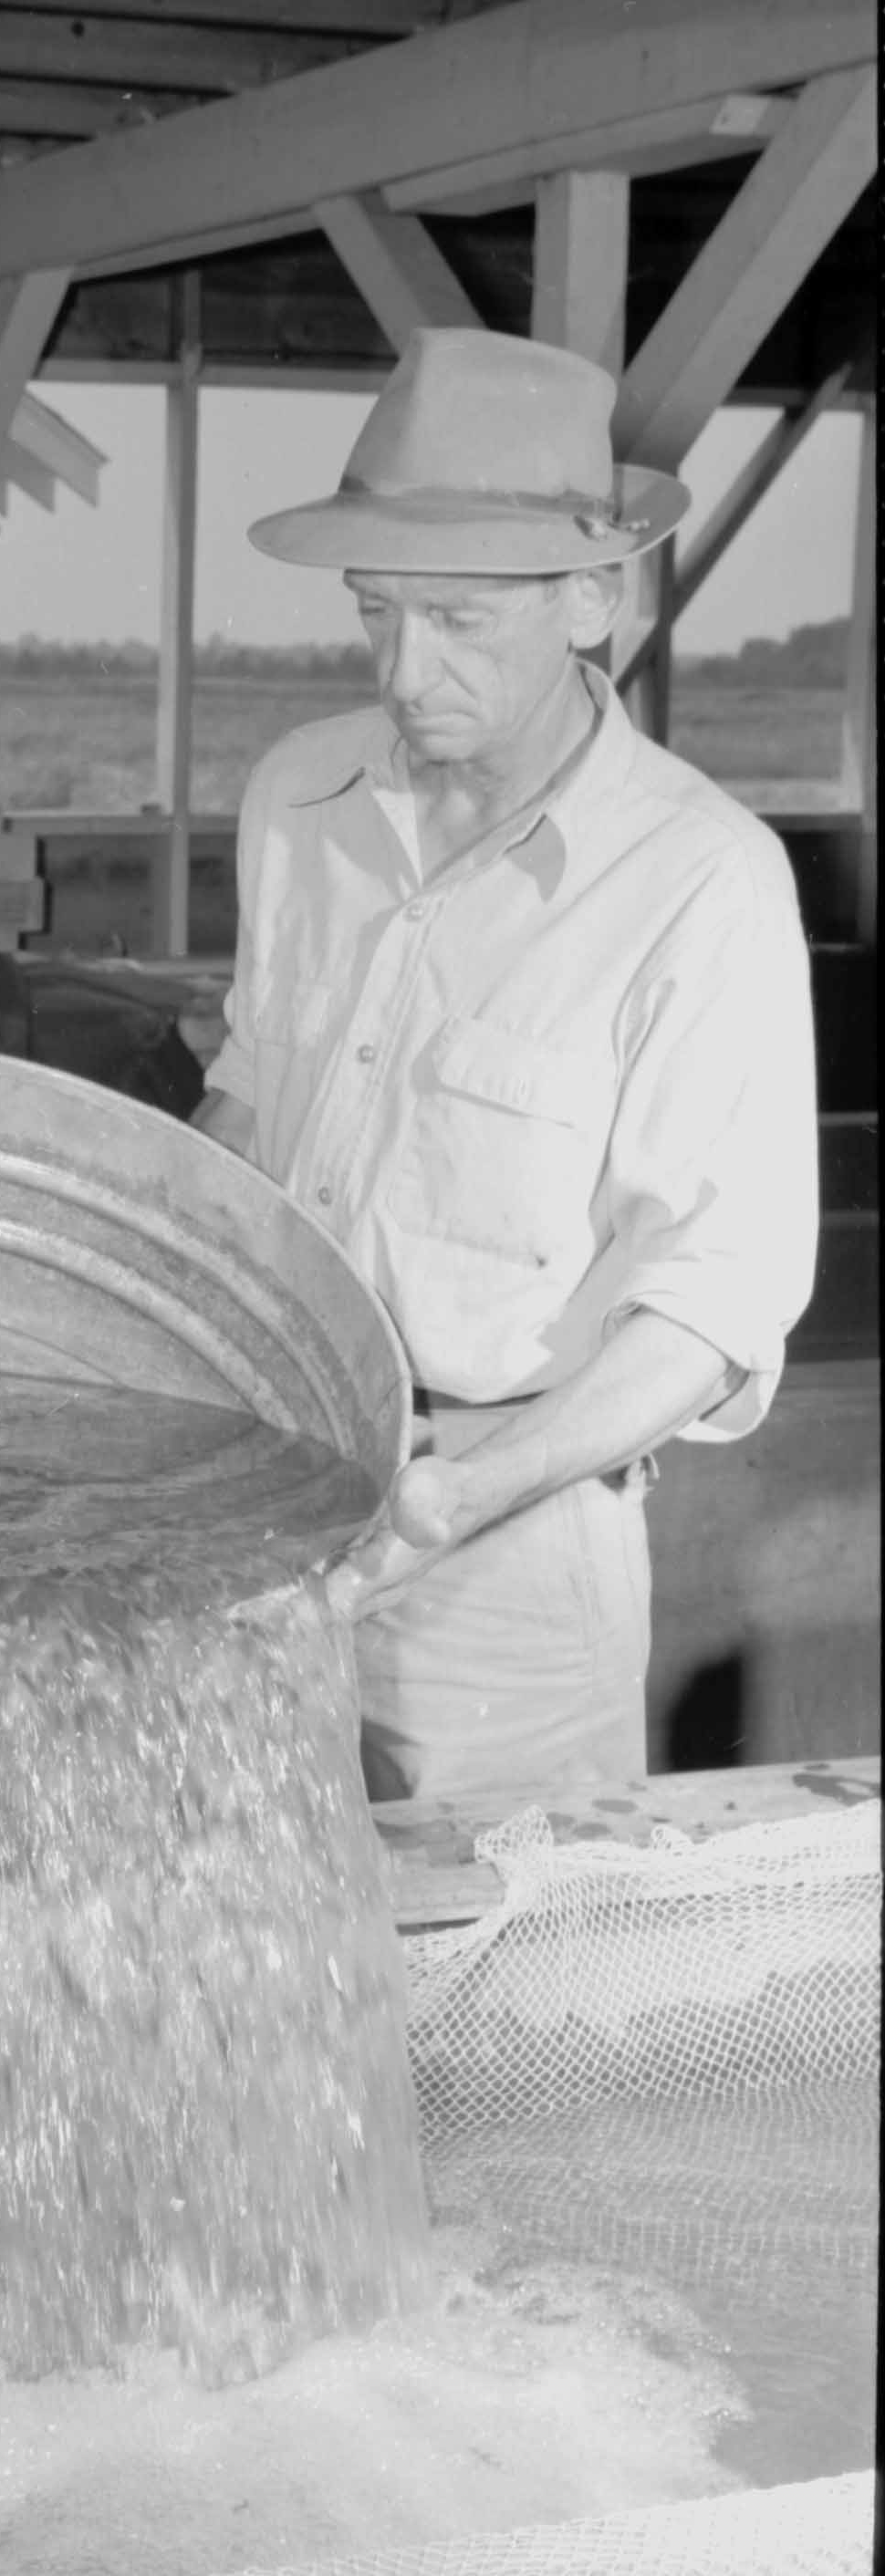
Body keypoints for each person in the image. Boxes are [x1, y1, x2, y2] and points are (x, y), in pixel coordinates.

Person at [194, 329, 818, 1803]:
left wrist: (457, 1492)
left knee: (499, 1992)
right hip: (261, 1495)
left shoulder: (697, 881)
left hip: (510, 1552)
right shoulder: (298, 799)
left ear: (592, 600)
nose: (408, 673)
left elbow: (714, 1302)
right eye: (378, 613)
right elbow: (241, 1098)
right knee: (251, 1953)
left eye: (463, 621)